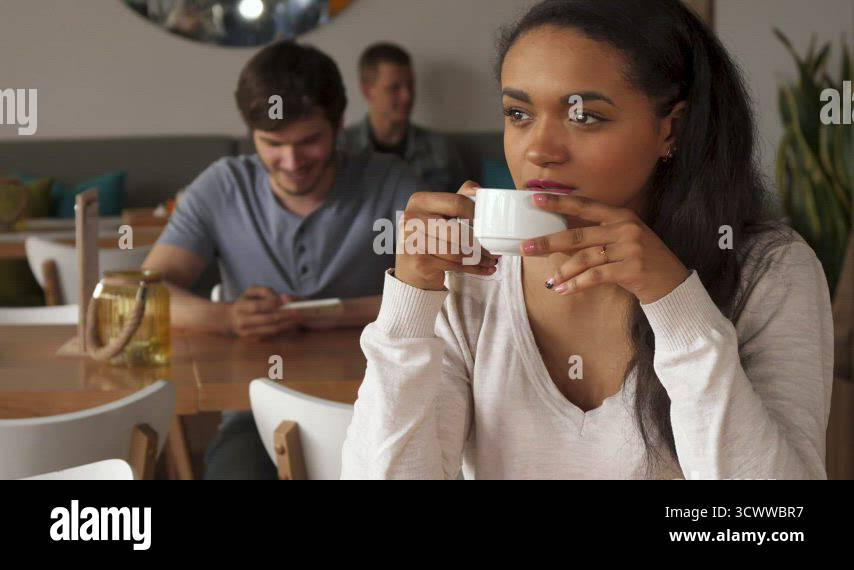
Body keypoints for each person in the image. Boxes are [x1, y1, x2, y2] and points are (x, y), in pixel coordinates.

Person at [341, 0, 834, 480]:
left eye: (585, 116)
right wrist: (409, 304)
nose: (540, 149)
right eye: (518, 114)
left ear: (672, 129)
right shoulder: (474, 276)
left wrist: (675, 302)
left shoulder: (770, 271)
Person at [143, 40, 422, 479]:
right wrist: (228, 317)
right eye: (272, 143)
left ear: (338, 125)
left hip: (380, 406)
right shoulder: (223, 186)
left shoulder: (391, 183)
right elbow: (147, 291)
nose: (291, 162)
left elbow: (447, 298)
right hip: (253, 413)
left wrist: (341, 313)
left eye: (309, 141)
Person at [339, 42, 466, 193]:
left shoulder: (440, 148)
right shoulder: (342, 148)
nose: (407, 96)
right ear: (367, 91)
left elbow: (466, 207)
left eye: (410, 86)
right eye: (394, 88)